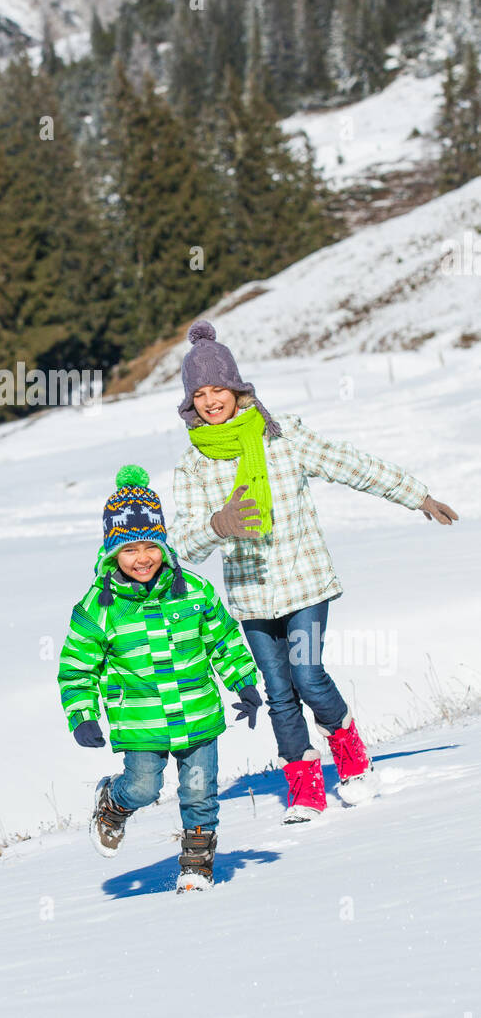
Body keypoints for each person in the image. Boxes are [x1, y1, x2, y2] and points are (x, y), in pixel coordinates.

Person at [171, 321, 458, 821]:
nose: (211, 400)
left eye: (219, 389)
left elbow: (350, 464)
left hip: (304, 584)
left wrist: (417, 496)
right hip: (253, 597)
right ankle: (304, 787)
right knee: (278, 691)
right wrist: (219, 524)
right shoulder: (193, 464)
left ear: (238, 390)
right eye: (200, 393)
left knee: (307, 675)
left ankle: (350, 754)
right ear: (189, 402)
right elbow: (182, 543)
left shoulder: (283, 437)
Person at [57, 462, 262, 891]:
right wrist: (82, 716)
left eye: (149, 546)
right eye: (129, 551)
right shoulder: (99, 608)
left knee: (200, 789)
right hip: (141, 720)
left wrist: (242, 680)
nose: (142, 558)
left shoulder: (193, 590)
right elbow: (77, 667)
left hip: (198, 711)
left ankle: (197, 863)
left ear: (163, 545)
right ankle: (113, 802)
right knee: (145, 786)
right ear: (112, 554)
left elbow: (221, 637)